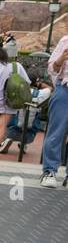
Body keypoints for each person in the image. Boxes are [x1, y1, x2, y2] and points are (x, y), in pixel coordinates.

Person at [41, 35, 68, 188]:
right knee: (56, 132)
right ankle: (49, 171)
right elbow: (52, 68)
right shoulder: (65, 41)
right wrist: (61, 59)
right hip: (65, 89)